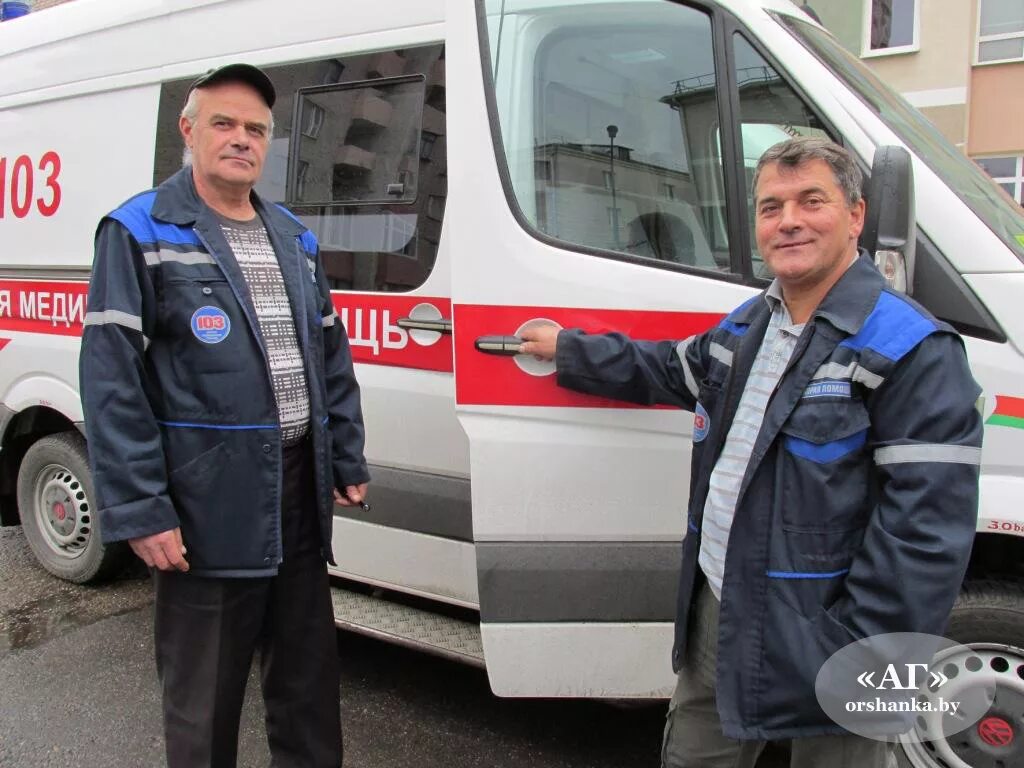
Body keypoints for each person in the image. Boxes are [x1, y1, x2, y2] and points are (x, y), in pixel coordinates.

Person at [519, 137, 982, 767]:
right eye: (771, 207)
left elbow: (926, 535)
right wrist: (567, 348)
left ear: (855, 216)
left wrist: (861, 652)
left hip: (834, 636)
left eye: (810, 201)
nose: (787, 220)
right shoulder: (750, 324)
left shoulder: (913, 346)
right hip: (721, 606)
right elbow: (666, 368)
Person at [80, 63, 369, 768]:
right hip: (205, 503)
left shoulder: (294, 238)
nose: (241, 139)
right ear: (189, 130)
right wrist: (142, 508)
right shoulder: (140, 230)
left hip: (298, 493)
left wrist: (348, 455)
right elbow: (112, 382)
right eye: (224, 123)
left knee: (308, 688)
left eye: (256, 130)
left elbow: (329, 355)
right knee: (204, 704)